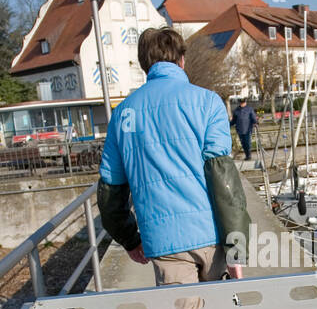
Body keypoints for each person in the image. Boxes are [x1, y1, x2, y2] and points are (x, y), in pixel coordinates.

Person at [97, 27, 243, 285]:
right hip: (212, 233)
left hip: (164, 240)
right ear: (182, 60)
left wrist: (130, 240)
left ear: (145, 65)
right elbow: (224, 180)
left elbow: (110, 192)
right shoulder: (208, 103)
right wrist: (237, 248)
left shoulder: (123, 115)